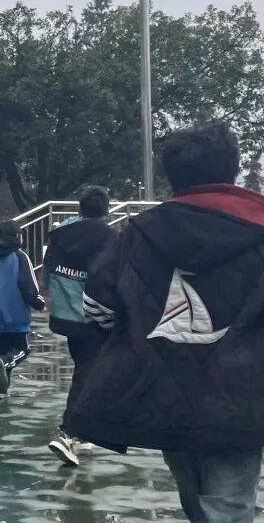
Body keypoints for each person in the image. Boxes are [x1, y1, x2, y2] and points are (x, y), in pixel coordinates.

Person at [68, 122, 264, 523]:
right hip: (244, 396)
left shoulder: (138, 233)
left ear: (174, 174)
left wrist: (140, 340)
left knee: (194, 494)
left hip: (164, 392)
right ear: (232, 168)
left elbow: (96, 305)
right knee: (230, 503)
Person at [41, 186, 117, 467]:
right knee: (88, 374)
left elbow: (47, 273)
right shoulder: (111, 238)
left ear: (80, 208)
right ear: (106, 210)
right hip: (96, 318)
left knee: (85, 369)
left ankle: (83, 433)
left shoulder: (60, 235)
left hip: (66, 317)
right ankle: (68, 432)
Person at [0, 220, 45, 398]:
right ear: (17, 236)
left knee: (2, 357)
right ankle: (4, 365)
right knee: (21, 351)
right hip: (16, 317)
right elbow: (28, 287)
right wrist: (39, 303)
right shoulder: (20, 257)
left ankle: (0, 394)